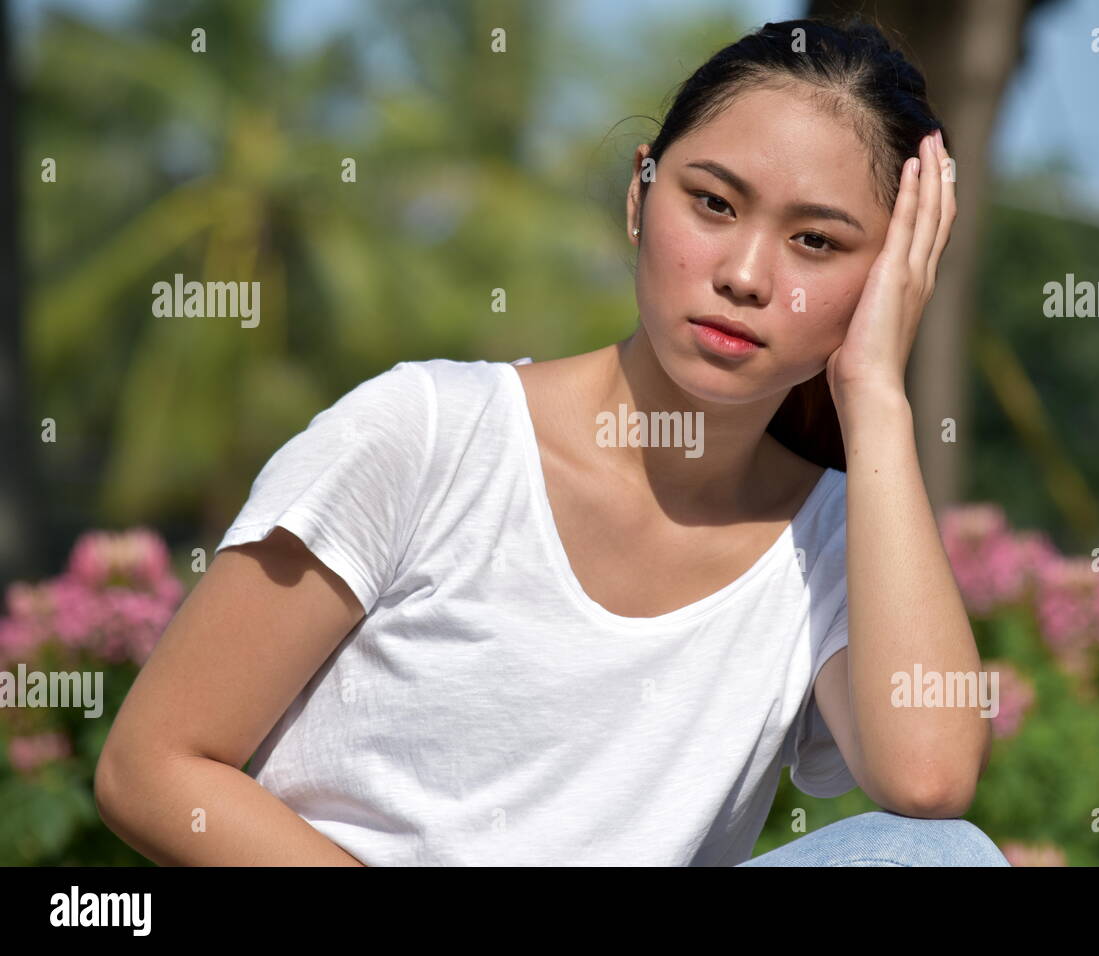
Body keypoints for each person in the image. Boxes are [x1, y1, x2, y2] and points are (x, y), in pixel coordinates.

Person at [94, 16, 1009, 867]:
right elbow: (155, 766)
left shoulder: (834, 542)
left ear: (891, 276)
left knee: (939, 858)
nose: (743, 275)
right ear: (640, 196)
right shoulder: (429, 434)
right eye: (714, 204)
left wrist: (877, 393)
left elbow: (926, 781)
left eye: (816, 242)